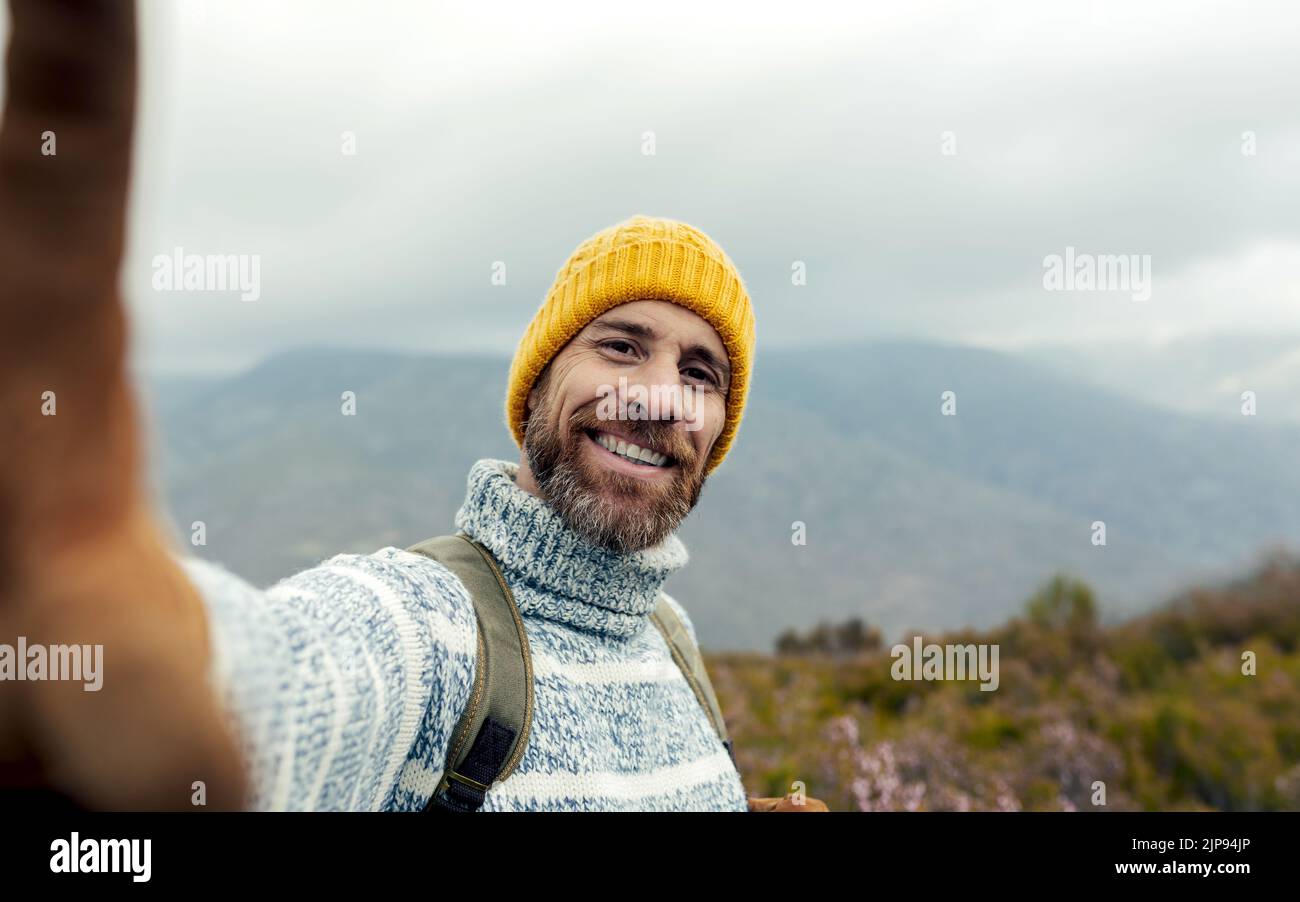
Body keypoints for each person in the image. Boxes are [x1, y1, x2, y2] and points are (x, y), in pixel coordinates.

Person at [0, 0, 826, 812]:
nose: (653, 397)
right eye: (618, 345)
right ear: (536, 386)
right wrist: (108, 625)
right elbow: (275, 690)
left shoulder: (673, 641)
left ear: (717, 434)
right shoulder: (422, 633)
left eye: (701, 373)